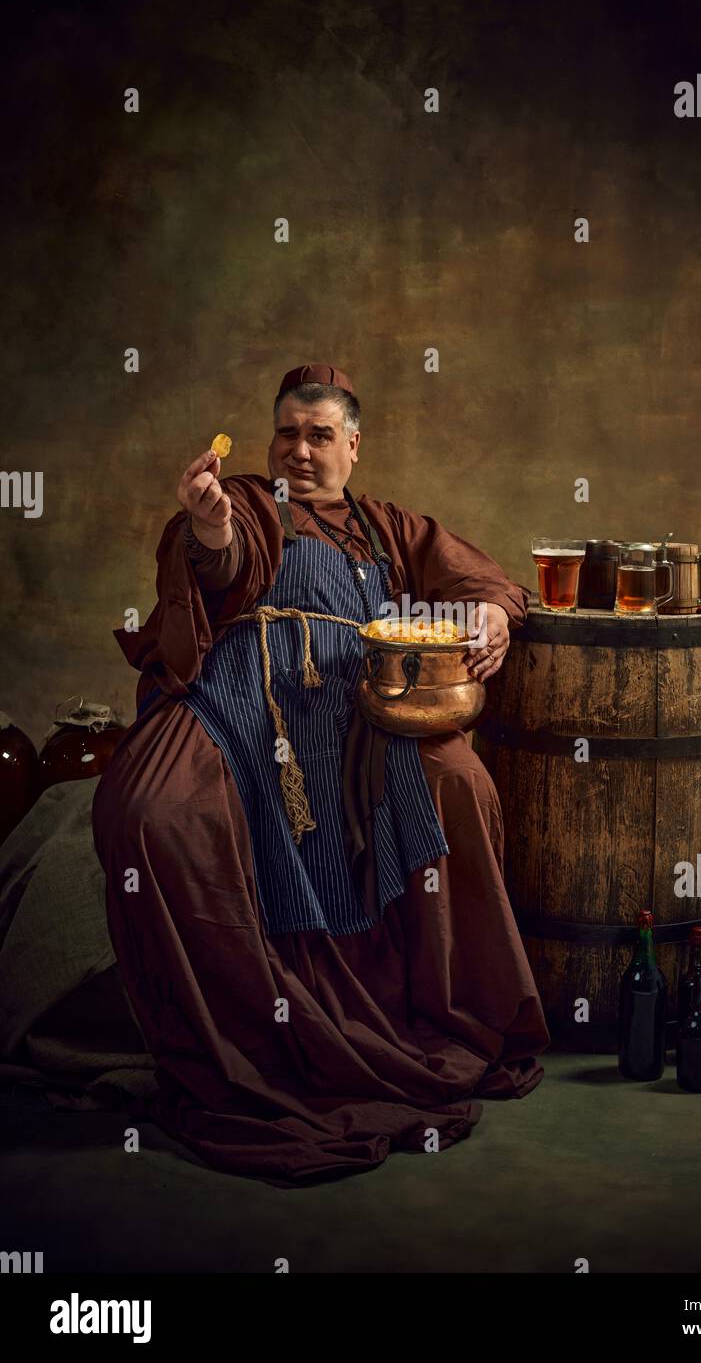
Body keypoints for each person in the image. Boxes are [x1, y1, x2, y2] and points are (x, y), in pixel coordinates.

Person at [92, 362, 549, 1184]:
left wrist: (486, 610)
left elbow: (481, 578)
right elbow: (220, 563)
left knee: (460, 786)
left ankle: (444, 1003)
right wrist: (208, 531)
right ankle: (241, 1031)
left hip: (356, 713)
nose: (299, 450)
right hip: (244, 701)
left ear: (353, 446)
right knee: (153, 811)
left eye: (319, 435)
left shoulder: (386, 527)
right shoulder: (248, 503)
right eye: (286, 434)